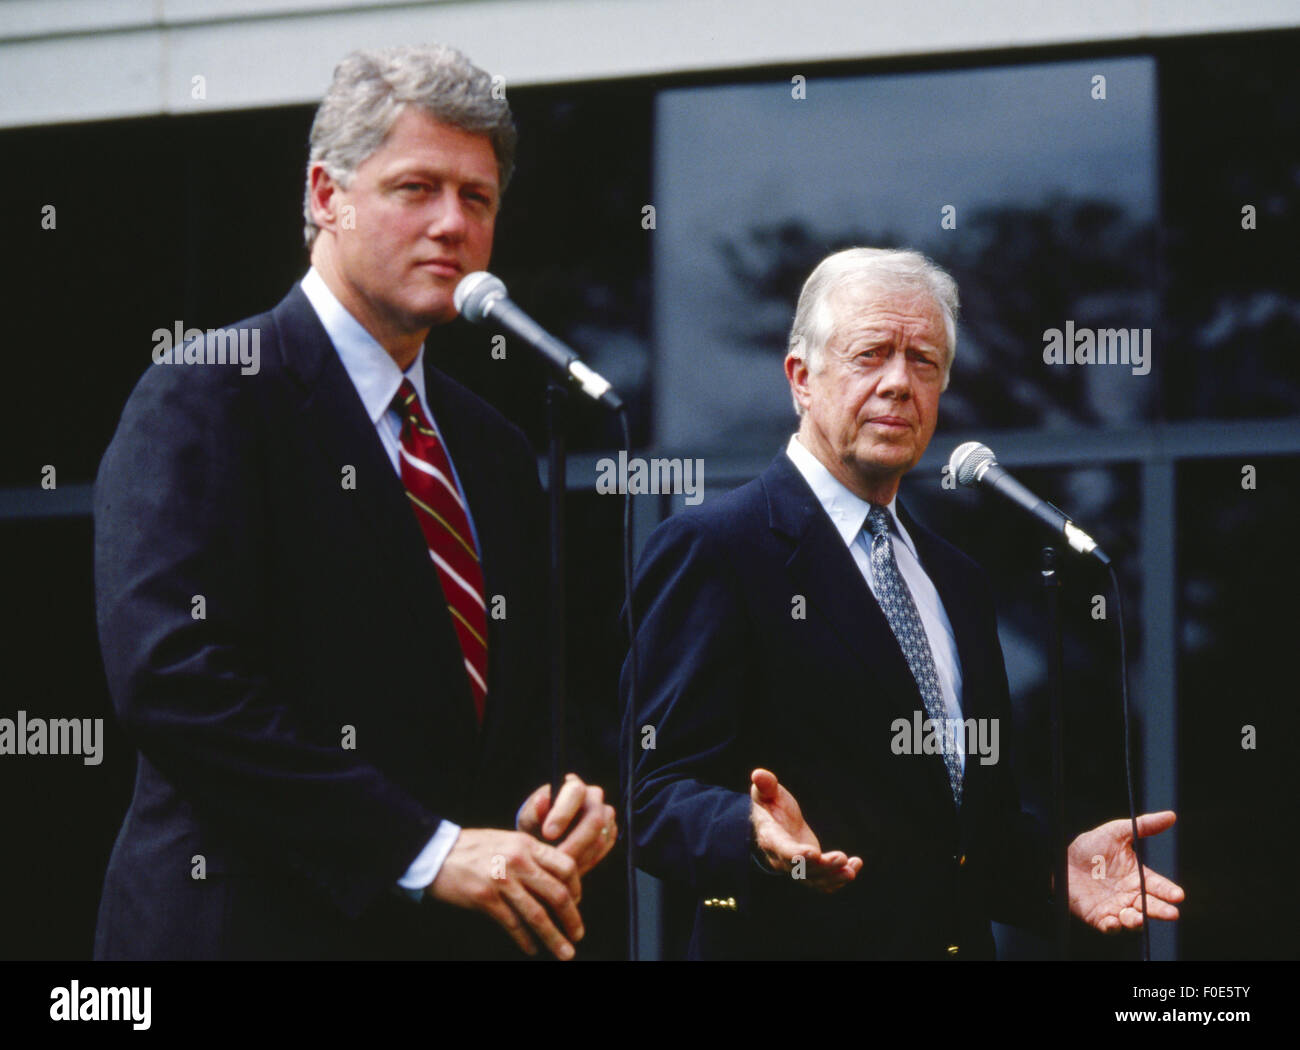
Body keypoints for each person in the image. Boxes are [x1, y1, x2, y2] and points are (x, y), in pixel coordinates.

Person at [93, 44, 615, 961]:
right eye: (416, 188)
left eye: (478, 198)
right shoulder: (208, 391)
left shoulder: (490, 445)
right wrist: (422, 848)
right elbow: (174, 679)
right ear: (327, 196)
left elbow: (523, 700)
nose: (453, 224)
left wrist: (568, 793)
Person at [621, 247, 1183, 959]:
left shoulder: (956, 579)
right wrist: (749, 835)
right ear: (801, 378)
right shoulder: (715, 549)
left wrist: (1047, 867)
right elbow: (654, 792)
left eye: (923, 361)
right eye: (870, 354)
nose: (898, 382)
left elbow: (960, 825)